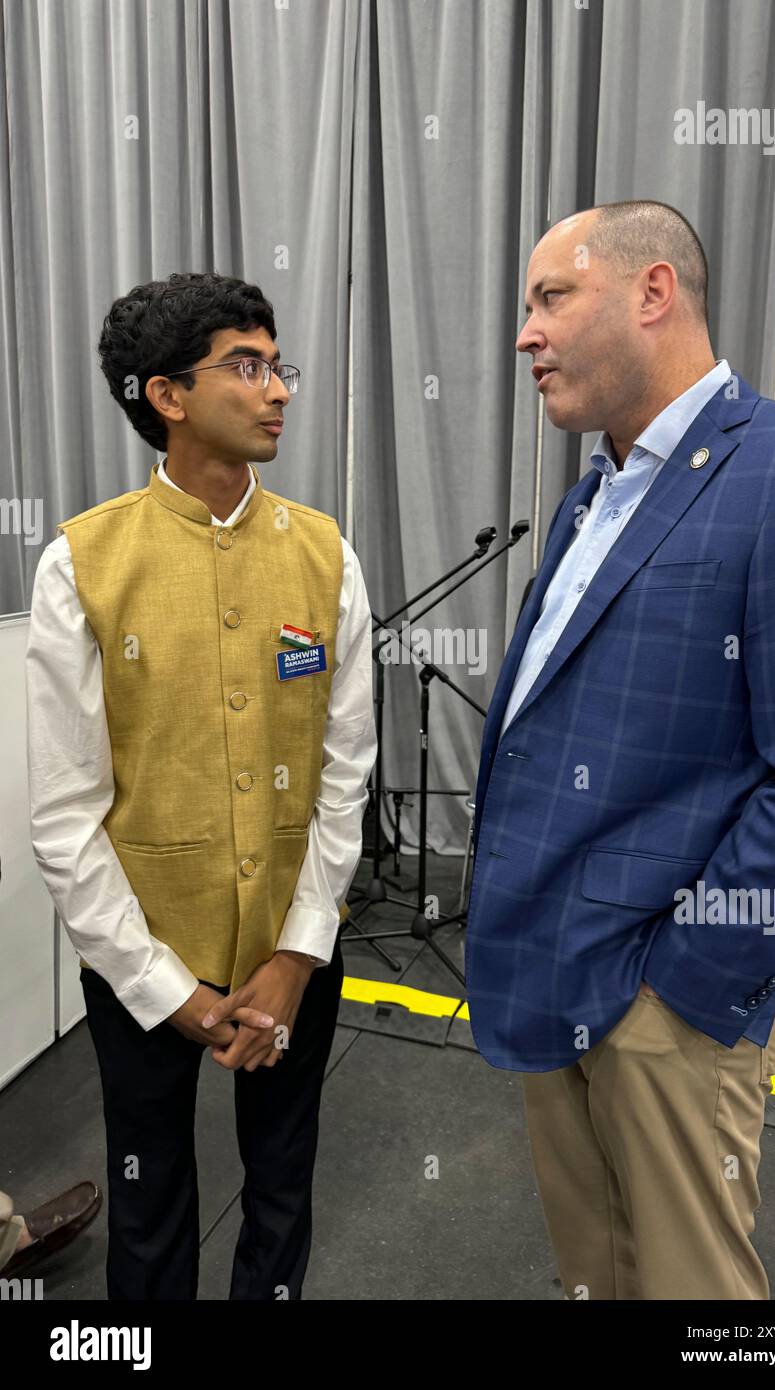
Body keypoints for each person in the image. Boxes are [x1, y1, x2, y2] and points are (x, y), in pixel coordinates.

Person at [465, 200, 775, 1300]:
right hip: (556, 960)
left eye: (550, 297)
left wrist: (686, 988)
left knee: (690, 1289)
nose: (524, 333)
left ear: (652, 293)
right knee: (594, 1270)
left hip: (666, 998)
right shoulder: (591, 493)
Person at [25, 272, 376, 1300]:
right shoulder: (81, 564)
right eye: (248, 365)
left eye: (278, 365)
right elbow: (63, 815)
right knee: (149, 1199)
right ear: (166, 396)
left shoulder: (325, 555)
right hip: (141, 953)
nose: (278, 390)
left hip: (291, 950)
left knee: (280, 1188)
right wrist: (163, 988)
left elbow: (344, 771)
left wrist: (296, 954)